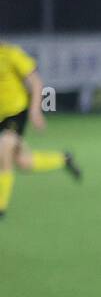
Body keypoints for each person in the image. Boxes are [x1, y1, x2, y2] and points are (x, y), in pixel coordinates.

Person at [0, 42, 81, 219]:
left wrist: (35, 110)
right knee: (23, 162)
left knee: (4, 147)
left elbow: (36, 83)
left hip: (15, 113)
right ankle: (64, 159)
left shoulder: (11, 54)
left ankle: (1, 207)